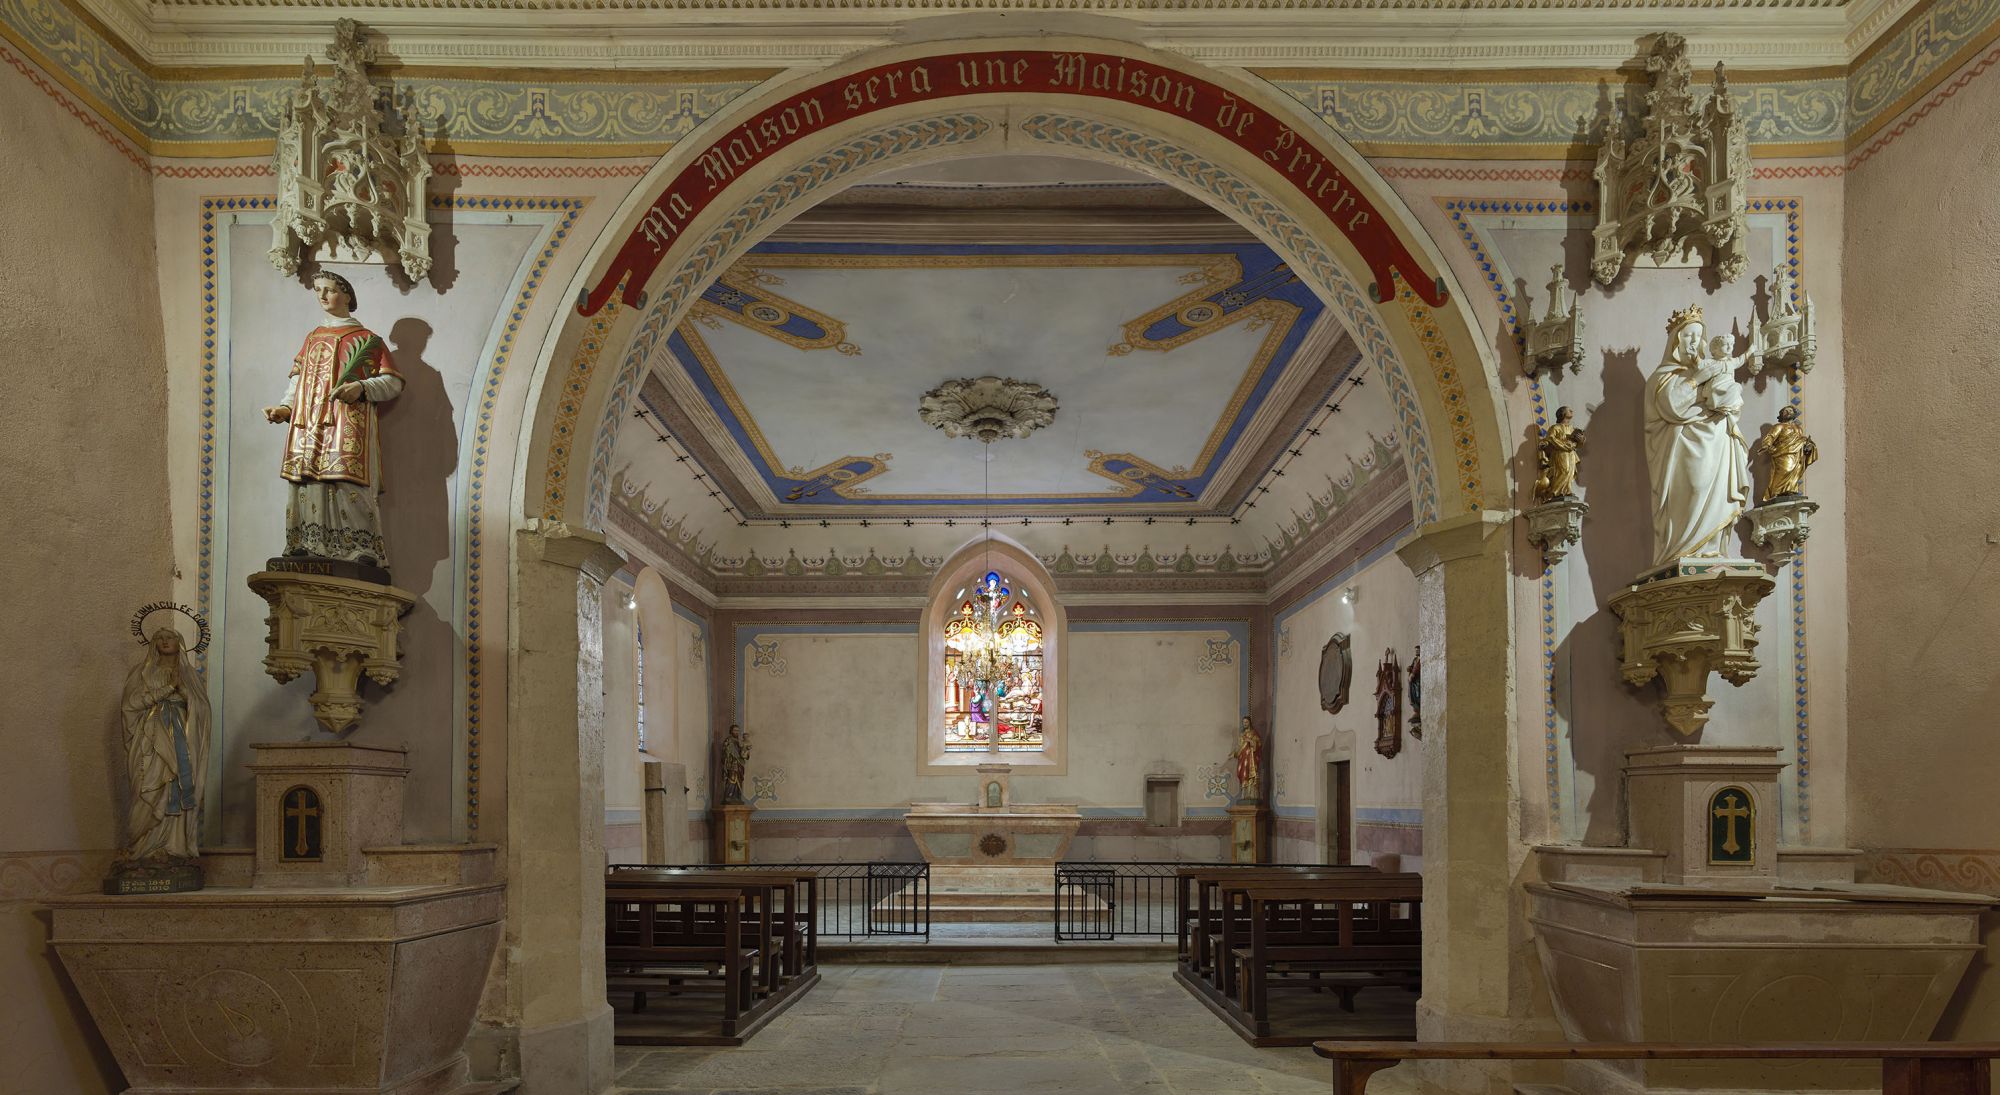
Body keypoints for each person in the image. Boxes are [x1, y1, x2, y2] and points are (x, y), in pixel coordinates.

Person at [264, 271, 404, 568]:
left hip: (347, 421)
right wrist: (284, 408)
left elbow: (392, 383)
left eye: (329, 290)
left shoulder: (368, 340)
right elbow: (298, 382)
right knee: (307, 478)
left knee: (345, 478)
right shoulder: (313, 338)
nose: (323, 296)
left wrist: (362, 387)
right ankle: (306, 542)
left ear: (348, 295)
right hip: (309, 424)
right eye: (318, 290)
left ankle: (359, 547)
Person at [1644, 306, 1751, 565]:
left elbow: (1726, 399)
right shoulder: (1662, 377)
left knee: (1717, 496)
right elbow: (1672, 406)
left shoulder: (1711, 368)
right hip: (1682, 454)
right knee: (1694, 487)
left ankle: (1712, 550)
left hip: (1716, 446)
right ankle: (1681, 551)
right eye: (1688, 336)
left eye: (1697, 336)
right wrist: (1697, 380)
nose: (1694, 342)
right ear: (1676, 341)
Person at [120, 628, 212, 861]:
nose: (164, 641)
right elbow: (130, 705)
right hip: (150, 738)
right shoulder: (142, 673)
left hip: (182, 737)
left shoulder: (190, 675)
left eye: (169, 637)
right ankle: (143, 848)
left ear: (179, 642)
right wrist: (167, 689)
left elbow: (202, 711)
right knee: (148, 785)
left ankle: (173, 847)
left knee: (180, 784)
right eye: (159, 637)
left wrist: (183, 692)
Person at [1755, 405, 1818, 501]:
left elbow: (1800, 439)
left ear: (1794, 414)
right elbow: (1770, 437)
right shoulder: (1779, 426)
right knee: (1785, 470)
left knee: (1794, 473)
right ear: (1781, 415)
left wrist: (1808, 446)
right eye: (1785, 411)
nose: (1788, 412)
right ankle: (1776, 492)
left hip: (1797, 454)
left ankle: (1790, 490)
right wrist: (1767, 445)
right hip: (1783, 453)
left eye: (1790, 410)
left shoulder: (1799, 428)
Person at [1533, 406, 1585, 502]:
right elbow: (1551, 438)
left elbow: (1580, 443)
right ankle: (1554, 492)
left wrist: (1580, 440)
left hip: (1571, 454)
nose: (1572, 411)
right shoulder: (1555, 427)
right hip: (1560, 453)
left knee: (1570, 472)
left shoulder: (1572, 429)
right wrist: (1564, 445)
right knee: (1564, 470)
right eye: (1569, 410)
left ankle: (1566, 490)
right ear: (1563, 414)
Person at [1230, 717, 1261, 803]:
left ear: (1250, 723)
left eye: (1246, 722)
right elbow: (1240, 748)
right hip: (1243, 758)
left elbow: (1258, 745)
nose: (1245, 724)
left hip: (1251, 758)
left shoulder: (1254, 733)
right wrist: (1234, 754)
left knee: (1250, 774)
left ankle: (1252, 795)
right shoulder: (1241, 735)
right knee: (1243, 773)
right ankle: (1245, 795)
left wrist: (1250, 740)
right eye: (1243, 722)